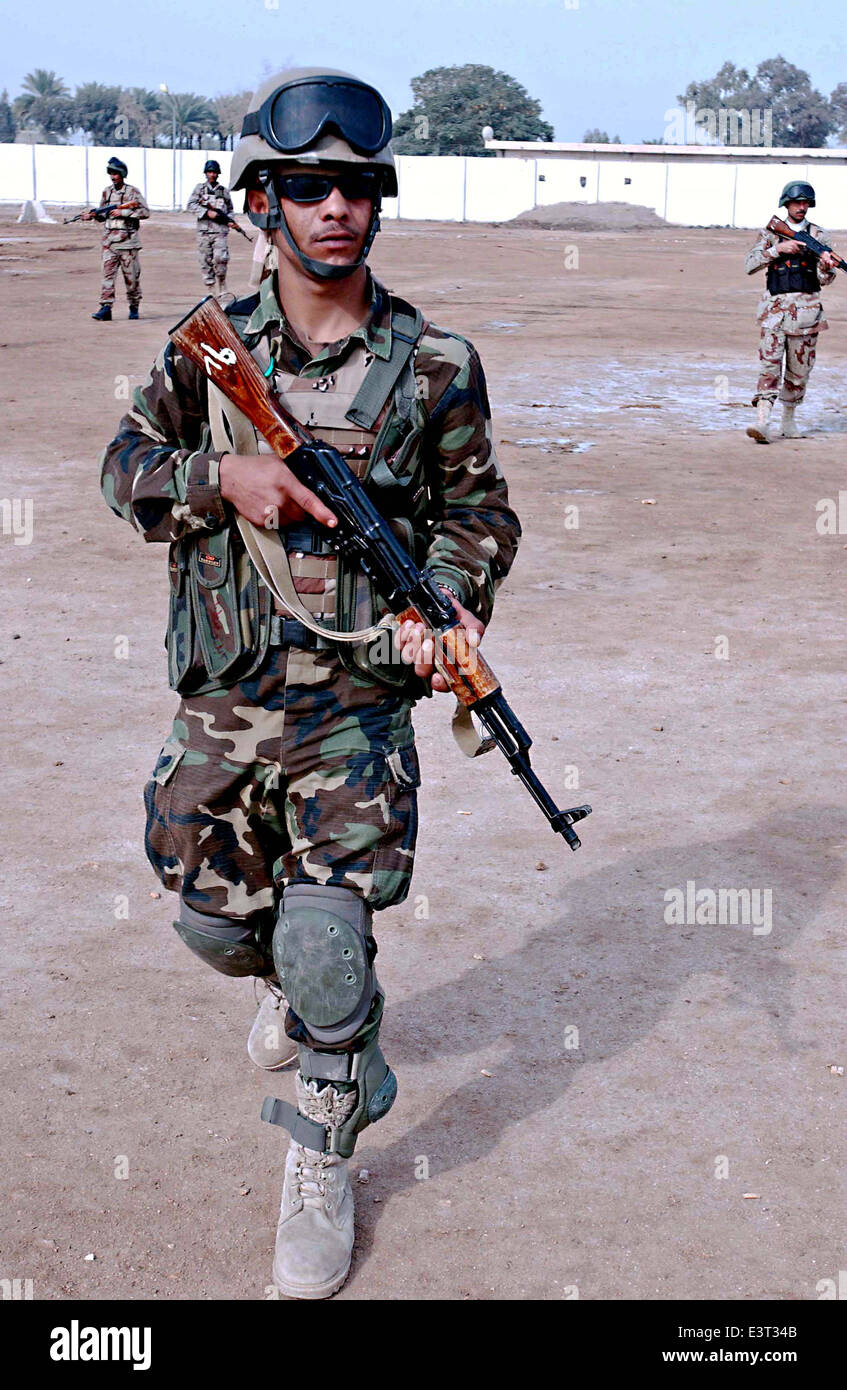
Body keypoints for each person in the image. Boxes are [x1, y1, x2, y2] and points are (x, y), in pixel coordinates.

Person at [100, 67, 521, 1299]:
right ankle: (299, 994)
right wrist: (214, 481)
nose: (337, 206)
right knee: (209, 917)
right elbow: (122, 468)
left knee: (333, 944)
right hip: (226, 693)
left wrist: (444, 602)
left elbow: (479, 513)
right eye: (308, 186)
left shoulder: (435, 362)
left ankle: (326, 1152)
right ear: (265, 202)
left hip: (356, 709)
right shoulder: (207, 354)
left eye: (357, 187)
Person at [745, 181, 839, 443]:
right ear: (786, 204)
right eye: (797, 202)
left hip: (807, 316)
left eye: (806, 203)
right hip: (774, 313)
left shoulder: (819, 236)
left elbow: (824, 280)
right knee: (769, 367)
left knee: (800, 371)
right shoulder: (771, 233)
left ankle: (788, 420)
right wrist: (778, 249)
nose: (802, 207)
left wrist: (827, 266)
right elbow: (749, 264)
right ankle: (762, 422)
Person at [87, 156, 150, 321]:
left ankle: (134, 306)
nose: (113, 177)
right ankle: (105, 307)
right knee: (107, 276)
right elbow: (102, 215)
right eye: (111, 173)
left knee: (132, 278)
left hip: (128, 242)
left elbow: (145, 212)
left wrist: (123, 212)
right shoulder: (107, 192)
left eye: (116, 173)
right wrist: (94, 215)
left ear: (122, 174)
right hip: (110, 242)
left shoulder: (132, 192)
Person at [187, 158, 235, 301]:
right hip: (204, 231)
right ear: (206, 173)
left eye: (214, 172)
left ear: (218, 174)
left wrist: (229, 221)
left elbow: (230, 209)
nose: (212, 175)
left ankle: (221, 282)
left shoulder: (223, 191)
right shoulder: (199, 189)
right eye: (209, 172)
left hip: (220, 231)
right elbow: (190, 205)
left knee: (221, 259)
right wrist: (206, 213)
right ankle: (211, 289)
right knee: (205, 260)